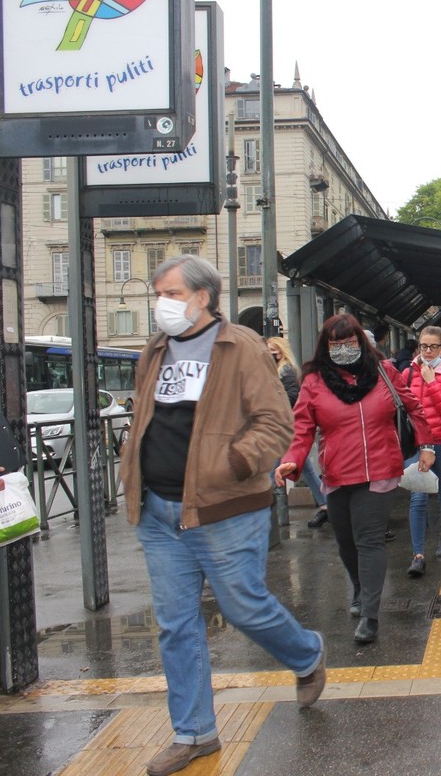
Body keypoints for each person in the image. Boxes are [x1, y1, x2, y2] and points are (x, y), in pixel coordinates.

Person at [120, 255, 325, 776]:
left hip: (225, 508)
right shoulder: (156, 349)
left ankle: (305, 655)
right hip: (159, 512)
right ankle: (194, 734)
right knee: (175, 626)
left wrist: (232, 463)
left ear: (202, 297)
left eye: (169, 293)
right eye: (158, 293)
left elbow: (276, 423)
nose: (160, 303)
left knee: (244, 607)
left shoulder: (241, 348)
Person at [276, 314, 434, 645]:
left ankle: (370, 615)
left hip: (380, 469)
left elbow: (414, 407)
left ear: (360, 343)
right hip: (336, 472)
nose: (344, 349)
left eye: (350, 343)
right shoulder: (315, 381)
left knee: (369, 540)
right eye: (337, 344)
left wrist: (426, 445)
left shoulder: (383, 372)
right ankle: (360, 588)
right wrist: (291, 460)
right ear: (326, 346)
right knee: (346, 543)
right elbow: (302, 425)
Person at [400, 326, 441, 576]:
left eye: (434, 346)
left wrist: (432, 382)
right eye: (424, 346)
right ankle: (417, 555)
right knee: (418, 495)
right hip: (418, 443)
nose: (428, 351)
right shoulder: (407, 373)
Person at [266, 336, 329, 528]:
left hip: (284, 427)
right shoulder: (280, 370)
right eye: (268, 349)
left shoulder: (285, 370)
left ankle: (267, 514)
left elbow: (292, 397)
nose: (271, 353)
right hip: (285, 427)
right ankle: (326, 504)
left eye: (274, 349)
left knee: (273, 470)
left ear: (281, 350)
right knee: (304, 468)